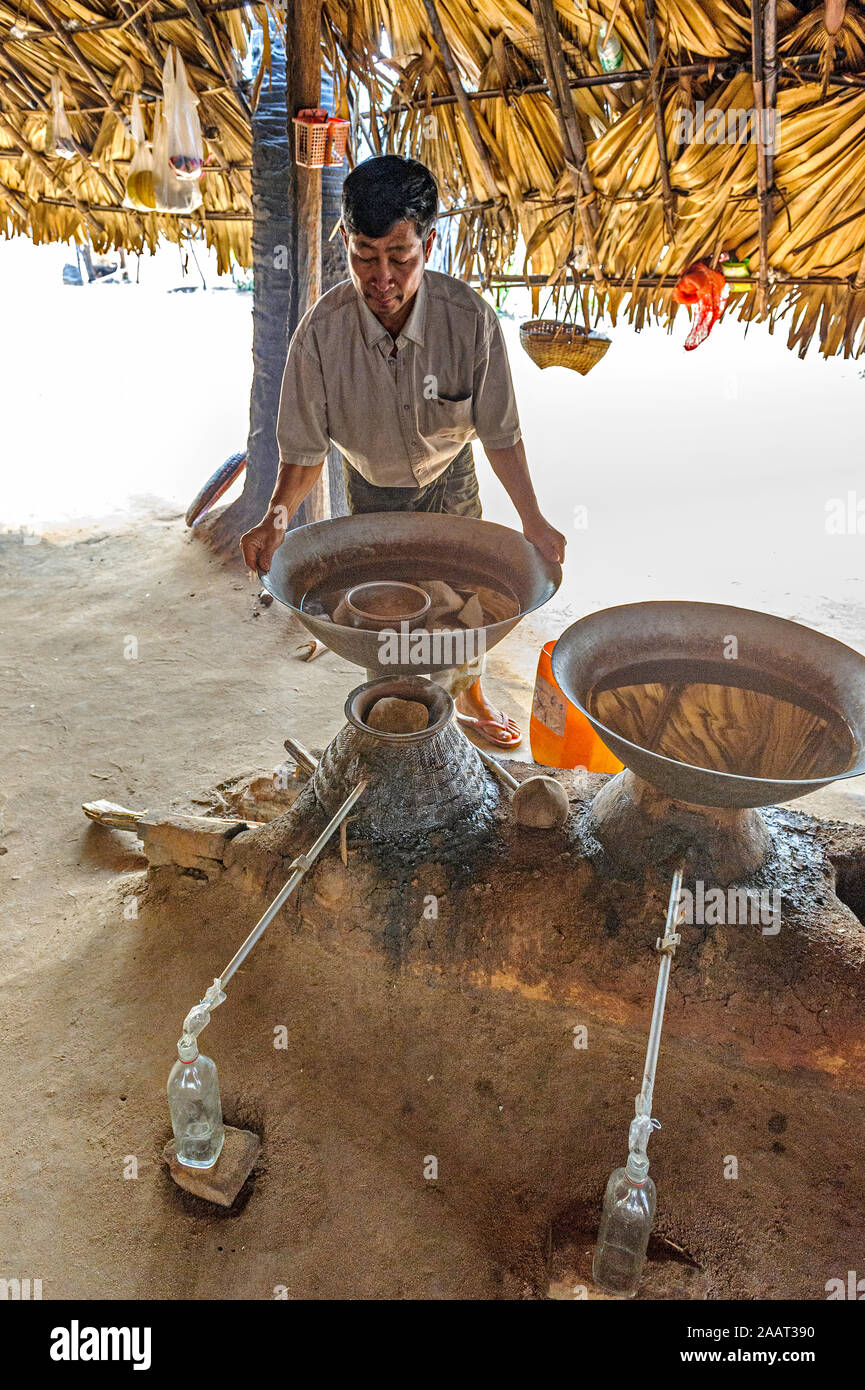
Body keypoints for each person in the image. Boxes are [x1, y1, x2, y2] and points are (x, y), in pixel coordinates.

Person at [241, 154, 565, 748]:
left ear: (430, 243)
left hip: (450, 474)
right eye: (364, 255)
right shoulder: (320, 336)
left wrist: (533, 519)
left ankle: (469, 695)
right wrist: (277, 514)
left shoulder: (469, 322)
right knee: (383, 619)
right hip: (369, 484)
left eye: (400, 258)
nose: (380, 278)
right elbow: (307, 451)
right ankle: (396, 702)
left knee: (467, 609)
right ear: (345, 239)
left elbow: (499, 433)